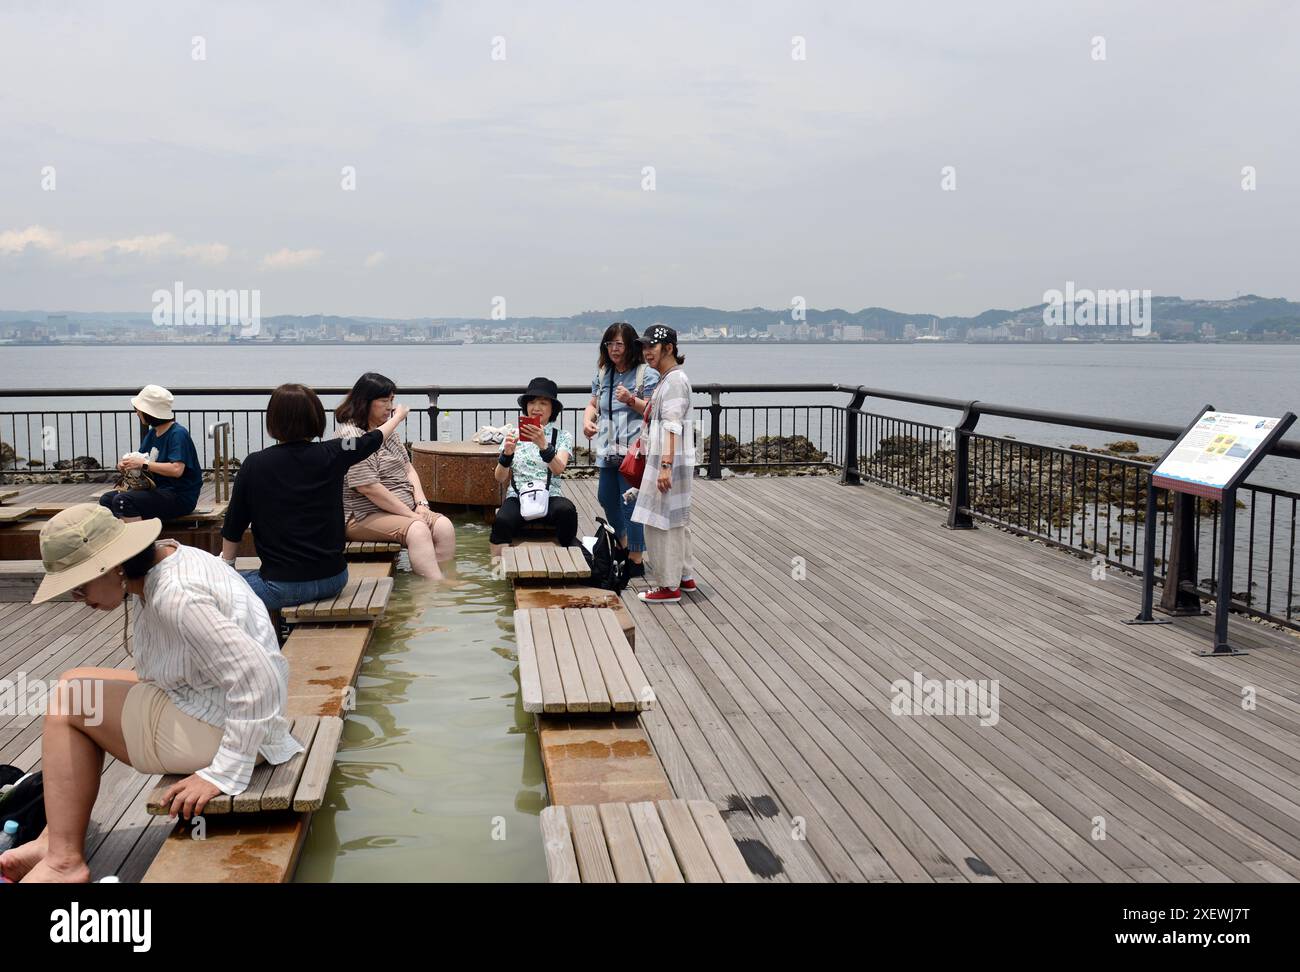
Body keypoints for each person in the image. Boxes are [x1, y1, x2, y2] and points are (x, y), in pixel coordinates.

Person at [0, 504, 303, 883]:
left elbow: (257, 678)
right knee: (75, 680)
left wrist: (222, 773)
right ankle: (55, 838)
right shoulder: (173, 558)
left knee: (71, 702)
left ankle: (63, 861)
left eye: (79, 585)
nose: (79, 598)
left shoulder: (175, 596)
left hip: (234, 731)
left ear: (113, 566)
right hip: (221, 707)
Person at [219, 383, 410, 614]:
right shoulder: (335, 451)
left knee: (215, 590)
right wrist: (398, 417)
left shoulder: (255, 464)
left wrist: (227, 567)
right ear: (317, 419)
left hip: (280, 586)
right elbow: (370, 440)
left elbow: (235, 523)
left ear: (273, 421)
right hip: (335, 579)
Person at [335, 372, 455, 580]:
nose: (391, 407)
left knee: (444, 527)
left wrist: (421, 503)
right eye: (384, 401)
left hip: (402, 509)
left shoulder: (387, 432)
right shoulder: (350, 436)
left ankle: (446, 578)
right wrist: (411, 516)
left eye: (392, 400)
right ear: (365, 402)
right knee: (418, 530)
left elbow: (408, 468)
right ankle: (434, 587)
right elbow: (368, 487)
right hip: (362, 515)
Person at [582, 322, 658, 577]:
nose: (614, 349)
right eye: (609, 343)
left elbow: (655, 410)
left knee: (631, 505)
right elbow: (593, 403)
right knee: (606, 498)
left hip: (634, 452)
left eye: (619, 344)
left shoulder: (645, 375)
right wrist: (587, 421)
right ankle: (624, 545)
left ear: (631, 345)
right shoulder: (604, 373)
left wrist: (630, 400)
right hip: (607, 449)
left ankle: (635, 559)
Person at [631, 326, 697, 603]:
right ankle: (684, 576)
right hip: (671, 459)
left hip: (667, 461)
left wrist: (665, 466)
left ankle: (668, 586)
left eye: (652, 347)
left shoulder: (673, 381)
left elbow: (672, 426)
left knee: (658, 524)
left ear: (669, 348)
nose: (646, 352)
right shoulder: (668, 379)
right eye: (644, 347)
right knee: (676, 521)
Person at [490, 377, 577, 556]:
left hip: (550, 495)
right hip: (518, 495)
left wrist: (543, 445)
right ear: (526, 406)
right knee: (501, 520)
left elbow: (558, 469)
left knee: (567, 511)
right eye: (532, 402)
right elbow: (499, 477)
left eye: (543, 403)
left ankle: (570, 558)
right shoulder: (513, 434)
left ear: (552, 408)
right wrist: (507, 454)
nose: (536, 408)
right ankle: (497, 570)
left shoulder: (561, 436)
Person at [98, 384, 203, 521]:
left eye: (138, 410)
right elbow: (142, 459)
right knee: (106, 500)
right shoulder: (153, 432)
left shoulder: (178, 434)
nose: (137, 413)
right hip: (158, 491)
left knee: (123, 501)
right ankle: (129, 532)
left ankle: (139, 539)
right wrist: (126, 465)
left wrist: (143, 464)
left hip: (179, 495)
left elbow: (176, 469)